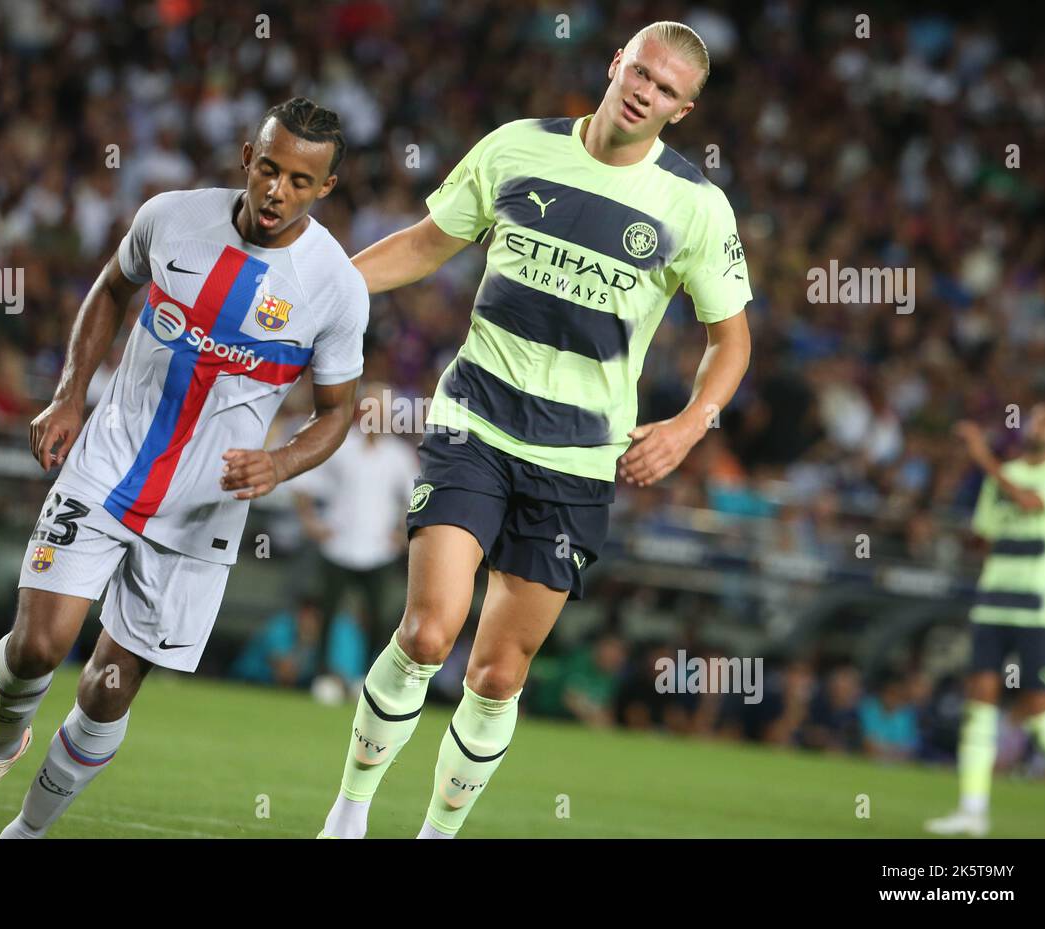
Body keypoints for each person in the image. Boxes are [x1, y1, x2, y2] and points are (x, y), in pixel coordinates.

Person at [318, 21, 752, 839]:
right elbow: (424, 243)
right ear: (617, 60)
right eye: (641, 72)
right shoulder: (517, 147)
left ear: (682, 110)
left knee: (495, 673)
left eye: (665, 90)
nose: (645, 92)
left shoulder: (695, 205)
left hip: (577, 461)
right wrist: (323, 285)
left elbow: (734, 340)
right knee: (426, 630)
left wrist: (692, 426)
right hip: (475, 422)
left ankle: (435, 835)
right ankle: (347, 817)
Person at [0, 97, 369, 838]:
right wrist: (69, 395)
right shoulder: (171, 215)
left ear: (325, 189)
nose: (277, 191)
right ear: (245, 158)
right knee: (38, 644)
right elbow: (111, 288)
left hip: (202, 512)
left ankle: (26, 832)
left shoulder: (335, 285)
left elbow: (337, 411)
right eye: (269, 168)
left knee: (107, 689)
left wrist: (280, 462)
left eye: (300, 181)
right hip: (107, 461)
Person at [925, 407, 1045, 838]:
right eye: (1035, 419)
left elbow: (1029, 502)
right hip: (993, 602)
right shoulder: (1005, 472)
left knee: (1039, 707)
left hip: (1038, 607)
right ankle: (972, 810)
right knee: (980, 702)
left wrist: (981, 456)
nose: (1037, 425)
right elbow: (985, 532)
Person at [290, 381, 421, 680]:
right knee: (328, 614)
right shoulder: (341, 446)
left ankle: (367, 676)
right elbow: (304, 483)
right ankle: (322, 675)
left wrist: (402, 534)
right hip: (338, 545)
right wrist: (310, 521)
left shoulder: (398, 456)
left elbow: (416, 498)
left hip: (379, 550)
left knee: (378, 618)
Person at [230, 595, 367, 689]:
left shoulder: (339, 631)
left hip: (297, 687)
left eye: (313, 617)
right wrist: (304, 643)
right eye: (304, 616)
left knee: (328, 689)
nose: (307, 622)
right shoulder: (280, 627)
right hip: (250, 681)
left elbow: (343, 677)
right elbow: (285, 675)